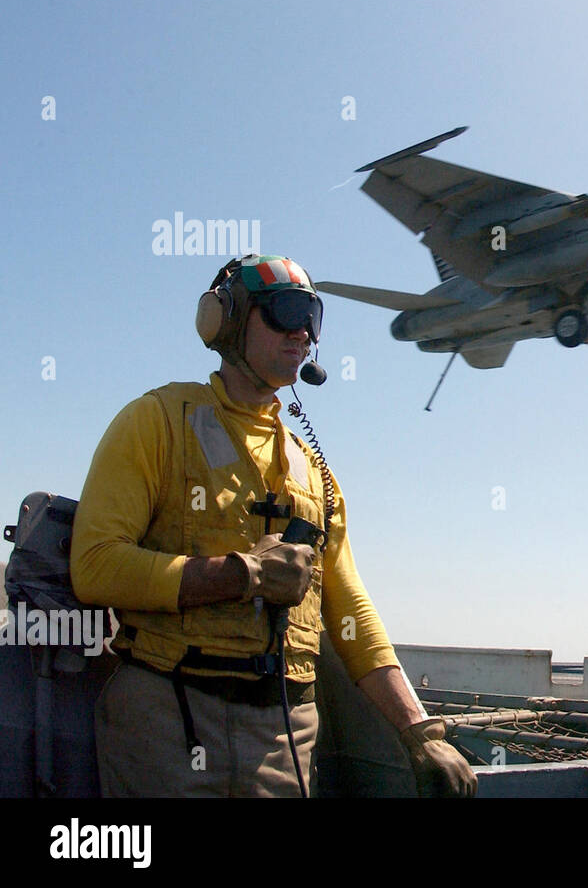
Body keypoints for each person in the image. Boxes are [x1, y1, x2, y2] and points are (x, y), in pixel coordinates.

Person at [70, 254, 475, 798]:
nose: (303, 333)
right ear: (228, 320)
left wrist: (418, 732)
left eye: (312, 317)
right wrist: (241, 575)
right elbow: (96, 567)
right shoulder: (157, 422)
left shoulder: (313, 472)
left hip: (284, 734)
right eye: (285, 313)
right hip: (169, 716)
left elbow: (348, 606)